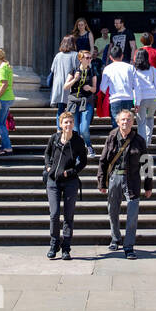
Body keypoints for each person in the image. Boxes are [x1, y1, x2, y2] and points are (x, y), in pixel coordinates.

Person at [98, 108, 153, 259]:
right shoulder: (112, 137)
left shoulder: (139, 140)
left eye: (128, 119)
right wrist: (102, 182)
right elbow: (103, 160)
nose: (125, 122)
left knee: (132, 214)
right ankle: (115, 238)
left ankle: (128, 246)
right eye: (123, 119)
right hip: (115, 178)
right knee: (112, 211)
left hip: (132, 180)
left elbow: (147, 164)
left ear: (133, 122)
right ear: (117, 122)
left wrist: (148, 186)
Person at [44, 109, 87, 260]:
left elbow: (83, 160)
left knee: (68, 216)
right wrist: (49, 167)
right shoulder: (54, 138)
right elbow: (47, 153)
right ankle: (54, 243)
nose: (68, 124)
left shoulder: (77, 140)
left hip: (70, 182)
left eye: (71, 122)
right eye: (66, 122)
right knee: (54, 214)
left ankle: (66, 247)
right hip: (53, 181)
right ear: (61, 124)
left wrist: (72, 171)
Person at [131, 47, 156, 146]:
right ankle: (148, 140)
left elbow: (135, 87)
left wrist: (136, 103)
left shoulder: (134, 70)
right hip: (153, 98)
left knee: (141, 122)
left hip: (141, 99)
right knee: (150, 118)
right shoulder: (153, 69)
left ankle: (143, 144)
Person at [63, 49, 98, 149]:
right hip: (74, 103)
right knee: (75, 129)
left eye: (90, 58)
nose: (89, 60)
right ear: (80, 59)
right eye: (87, 58)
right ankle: (77, 150)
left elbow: (95, 89)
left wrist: (90, 88)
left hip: (86, 102)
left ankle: (89, 145)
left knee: (84, 129)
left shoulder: (92, 71)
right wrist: (74, 79)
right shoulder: (74, 70)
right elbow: (65, 87)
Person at [99, 45, 138, 124]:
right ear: (122, 55)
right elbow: (136, 85)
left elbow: (102, 88)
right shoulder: (130, 67)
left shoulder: (107, 69)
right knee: (126, 123)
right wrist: (137, 101)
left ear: (110, 57)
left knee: (116, 123)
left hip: (114, 99)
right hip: (128, 98)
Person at [50, 35, 81, 119]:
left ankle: (59, 129)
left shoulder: (58, 55)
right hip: (70, 83)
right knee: (71, 108)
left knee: (60, 108)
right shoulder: (75, 55)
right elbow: (78, 69)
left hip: (58, 84)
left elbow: (52, 69)